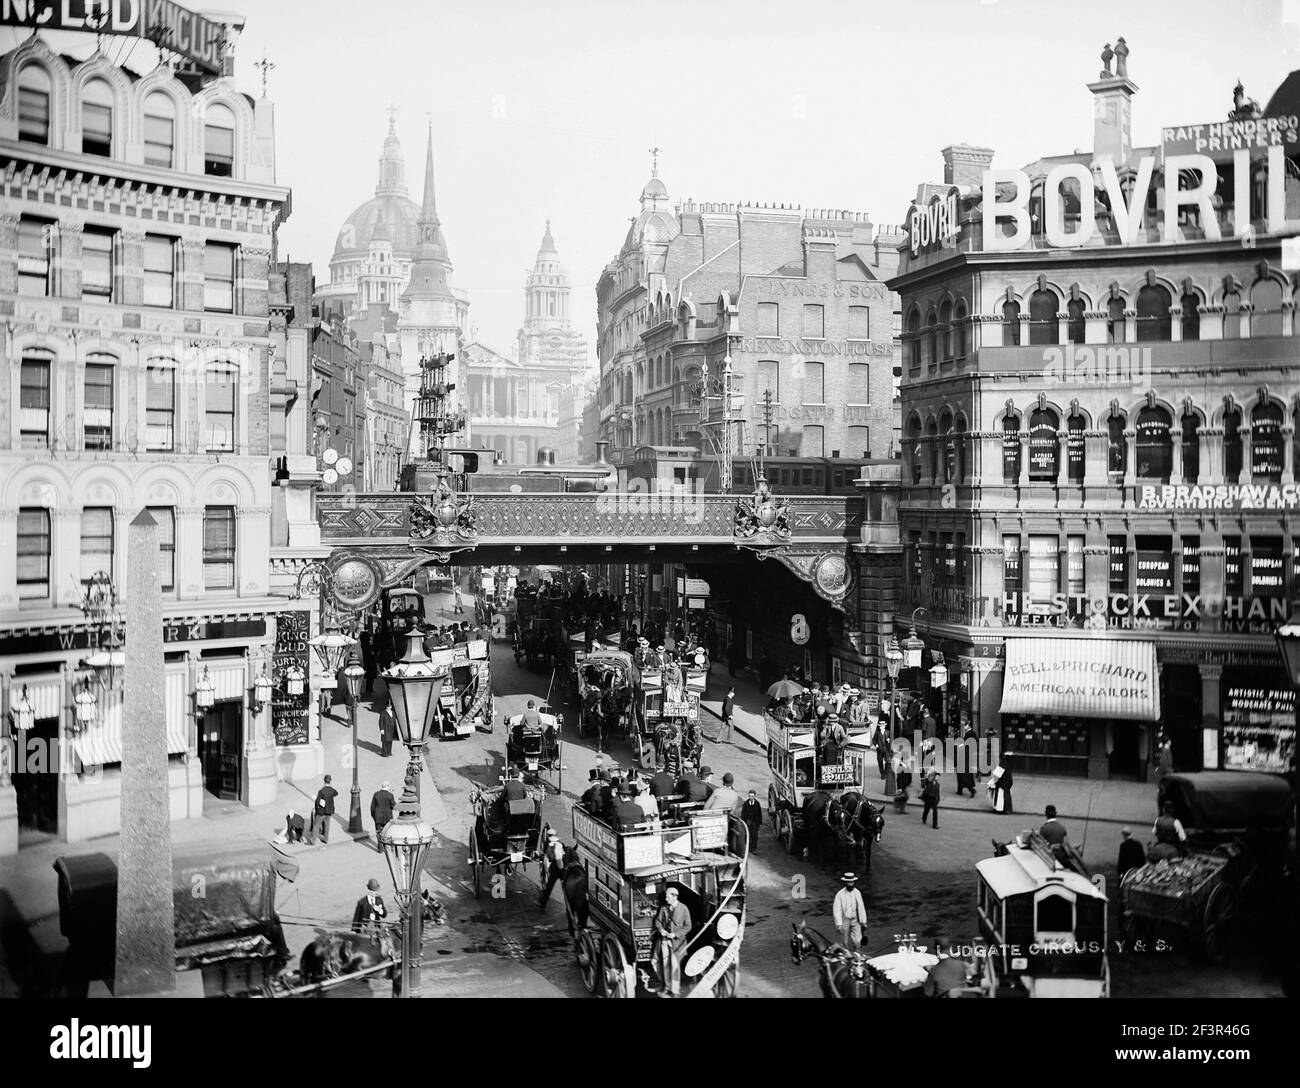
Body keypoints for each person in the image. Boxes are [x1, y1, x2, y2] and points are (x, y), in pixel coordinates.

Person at [651, 885, 692, 997]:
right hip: (664, 941)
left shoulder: (683, 909)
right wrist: (661, 930)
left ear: (674, 897)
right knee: (665, 965)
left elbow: (688, 926)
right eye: (666, 897)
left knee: (675, 966)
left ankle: (675, 991)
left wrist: (676, 934)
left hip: (677, 943)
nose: (666, 899)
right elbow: (658, 921)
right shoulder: (663, 908)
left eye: (668, 897)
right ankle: (667, 987)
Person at [832, 872, 868, 952]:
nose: (850, 884)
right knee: (844, 941)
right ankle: (846, 955)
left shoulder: (857, 893)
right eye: (848, 882)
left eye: (851, 882)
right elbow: (837, 909)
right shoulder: (840, 894)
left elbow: (861, 908)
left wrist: (863, 921)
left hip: (855, 919)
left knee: (858, 940)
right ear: (845, 882)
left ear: (854, 882)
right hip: (845, 919)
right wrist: (839, 924)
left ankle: (857, 954)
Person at [536, 828, 566, 909]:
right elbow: (559, 858)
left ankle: (542, 902)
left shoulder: (547, 843)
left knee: (549, 887)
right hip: (560, 867)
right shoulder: (560, 843)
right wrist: (562, 869)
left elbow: (546, 853)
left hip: (554, 868)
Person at [311, 775, 338, 844]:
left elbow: (317, 802)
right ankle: (326, 839)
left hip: (321, 812)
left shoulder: (321, 791)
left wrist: (316, 801)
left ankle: (313, 840)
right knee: (327, 826)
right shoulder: (332, 790)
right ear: (330, 781)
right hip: (329, 812)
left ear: (324, 781)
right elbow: (336, 793)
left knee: (316, 826)